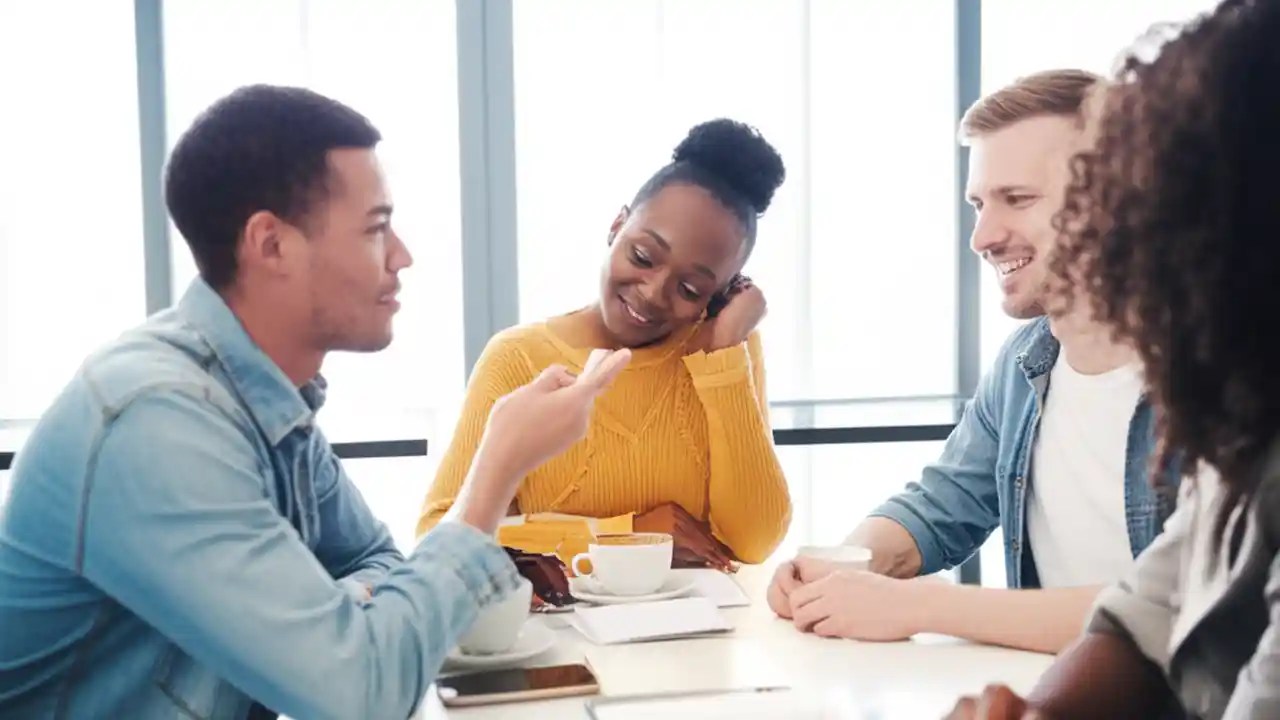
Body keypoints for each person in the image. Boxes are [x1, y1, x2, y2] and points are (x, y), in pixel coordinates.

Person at [0, 84, 630, 720]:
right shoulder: (157, 422)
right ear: (271, 244)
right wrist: (498, 467)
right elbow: (359, 696)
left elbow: (374, 560)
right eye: (376, 228)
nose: (402, 257)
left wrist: (342, 622)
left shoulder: (266, 404)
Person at [767, 69, 1178, 654]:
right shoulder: (1025, 363)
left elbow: (1180, 608)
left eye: (1019, 199)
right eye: (979, 203)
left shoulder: (1221, 379)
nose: (982, 237)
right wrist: (844, 568)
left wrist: (923, 605)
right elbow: (942, 506)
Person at [950, 1, 1280, 717]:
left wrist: (911, 605)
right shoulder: (1243, 419)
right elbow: (1145, 614)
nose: (1120, 241)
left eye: (1157, 209)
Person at [417, 119, 792, 567]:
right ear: (617, 225)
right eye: (643, 256)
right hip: (560, 636)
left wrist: (726, 351)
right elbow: (438, 538)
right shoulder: (517, 358)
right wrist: (625, 535)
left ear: (722, 294)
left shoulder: (725, 356)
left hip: (697, 636)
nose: (653, 292)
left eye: (691, 289)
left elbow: (755, 541)